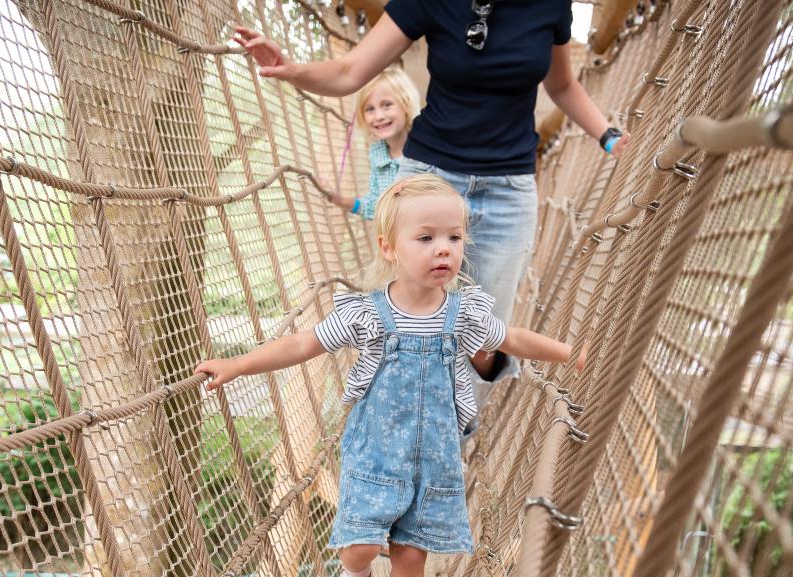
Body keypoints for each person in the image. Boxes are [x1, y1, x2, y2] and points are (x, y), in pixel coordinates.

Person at [193, 175, 585, 577]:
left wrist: (568, 353)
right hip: (374, 451)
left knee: (411, 554)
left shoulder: (464, 314)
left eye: (454, 238)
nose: (443, 249)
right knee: (361, 544)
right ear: (390, 247)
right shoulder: (368, 315)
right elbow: (301, 344)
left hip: (436, 458)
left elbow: (512, 338)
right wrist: (237, 364)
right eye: (426, 238)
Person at [235, 1, 628, 392]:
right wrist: (292, 70)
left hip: (507, 190)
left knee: (482, 340)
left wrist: (608, 136)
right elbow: (349, 71)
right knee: (404, 320)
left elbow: (560, 85)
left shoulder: (551, 6)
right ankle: (391, 425)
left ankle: (453, 437)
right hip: (430, 178)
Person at [326, 68, 421, 220]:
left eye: (387, 105)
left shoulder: (425, 148)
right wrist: (341, 200)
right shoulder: (378, 154)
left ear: (405, 105)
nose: (379, 116)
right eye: (370, 109)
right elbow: (376, 206)